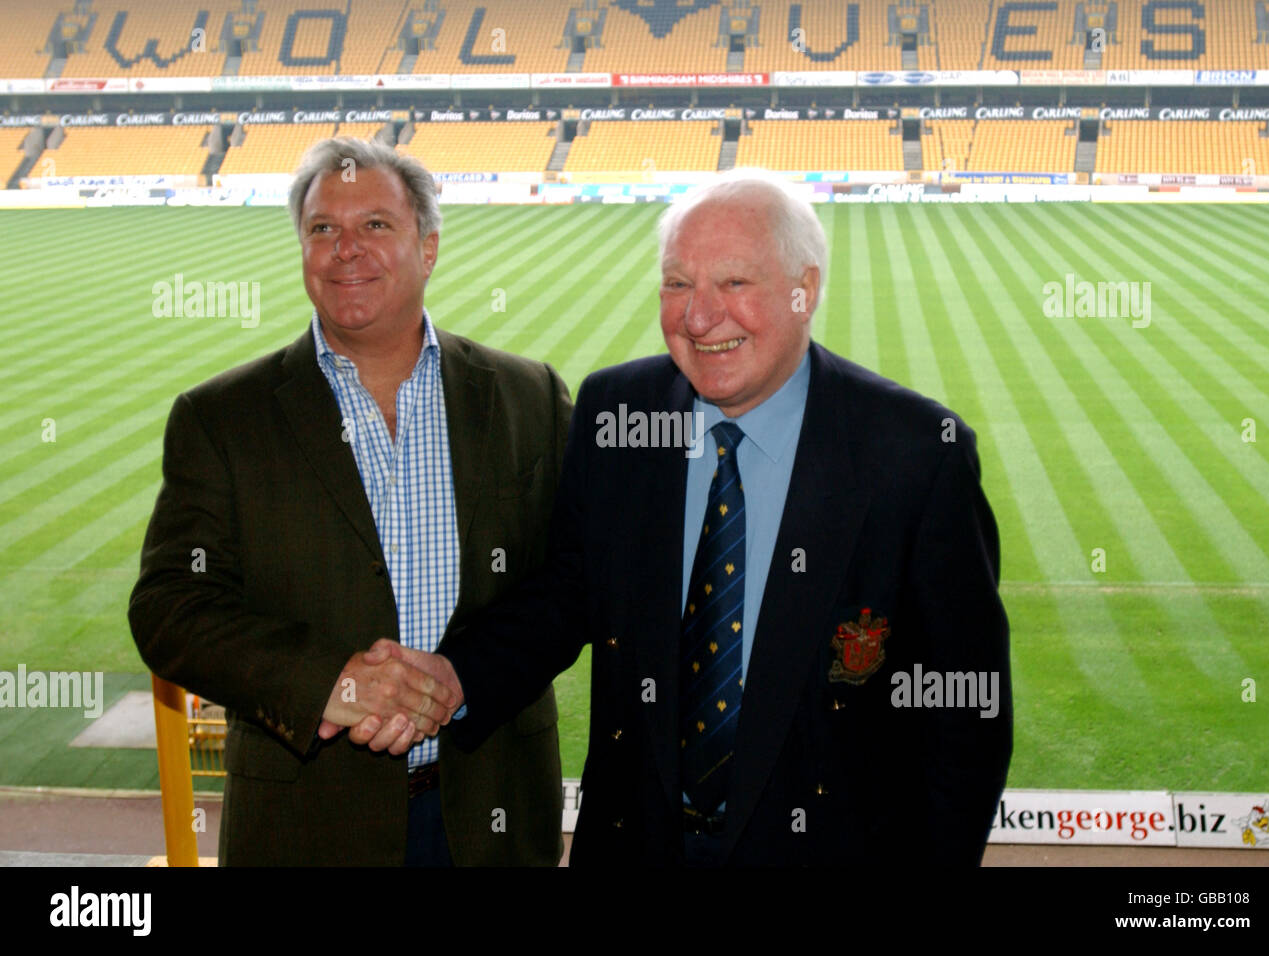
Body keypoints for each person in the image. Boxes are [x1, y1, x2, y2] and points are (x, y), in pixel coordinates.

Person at [358, 170, 1014, 865]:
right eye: (678, 284)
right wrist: (457, 675)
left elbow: (964, 712)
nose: (699, 318)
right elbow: (571, 593)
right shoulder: (619, 412)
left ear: (805, 289)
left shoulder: (915, 453)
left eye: (734, 284)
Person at [128, 136, 569, 866]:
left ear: (428, 247)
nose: (345, 249)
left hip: (491, 813)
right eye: (323, 229)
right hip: (305, 828)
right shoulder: (221, 417)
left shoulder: (530, 398)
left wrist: (464, 676)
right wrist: (329, 682)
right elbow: (170, 608)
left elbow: (573, 583)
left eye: (375, 225)